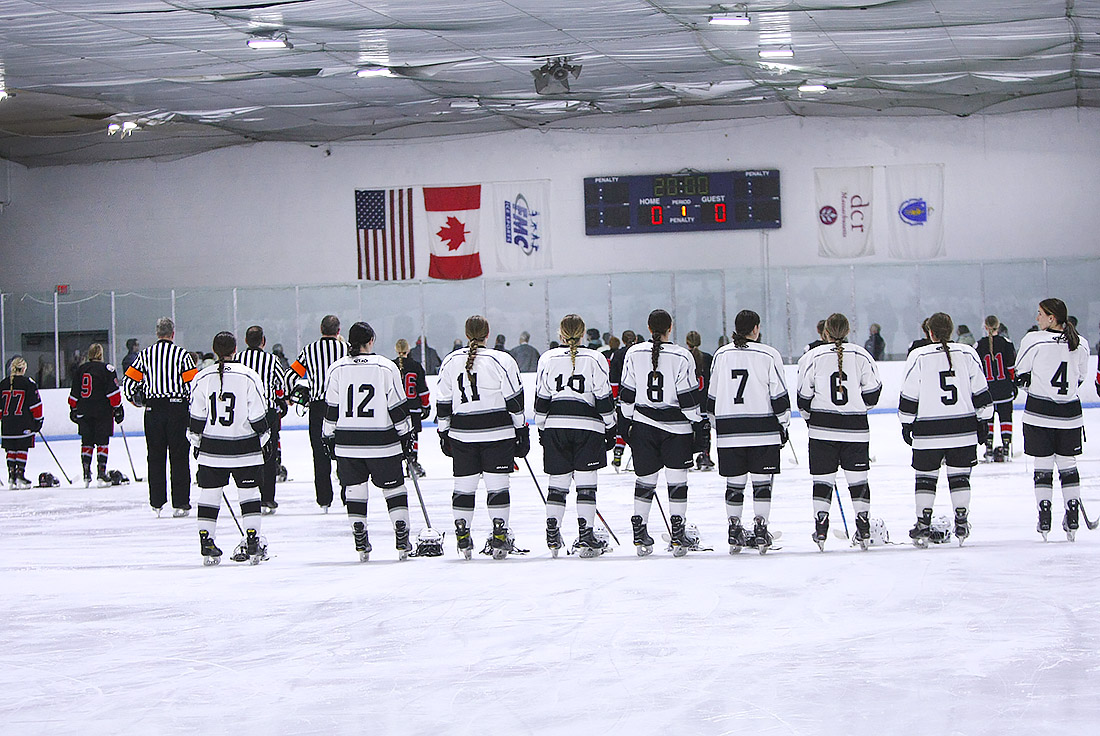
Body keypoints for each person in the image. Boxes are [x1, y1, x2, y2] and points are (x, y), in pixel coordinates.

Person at [435, 315, 528, 560]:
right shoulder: (501, 359)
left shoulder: (450, 361)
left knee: (463, 488)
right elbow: (515, 401)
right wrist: (521, 430)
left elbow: (443, 403)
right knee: (497, 487)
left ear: (467, 334)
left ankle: (462, 535)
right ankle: (499, 535)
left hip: (462, 435)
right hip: (498, 434)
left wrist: (444, 432)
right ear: (488, 334)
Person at [898, 312, 992, 547]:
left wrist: (906, 422)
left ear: (929, 332)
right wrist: (984, 421)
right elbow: (981, 392)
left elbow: (909, 394)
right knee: (960, 478)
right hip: (963, 429)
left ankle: (923, 523)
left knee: (925, 478)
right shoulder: (968, 353)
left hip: (928, 431)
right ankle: (961, 520)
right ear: (951, 331)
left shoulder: (919, 355)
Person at [323, 322, 415, 562]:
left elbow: (331, 409)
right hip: (383, 443)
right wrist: (406, 434)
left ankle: (359, 535)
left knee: (354, 489)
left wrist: (327, 436)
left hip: (347, 443)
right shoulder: (386, 366)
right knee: (394, 488)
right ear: (371, 340)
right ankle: (401, 534)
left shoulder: (336, 369)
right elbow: (397, 407)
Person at [619, 309, 704, 557]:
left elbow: (627, 394)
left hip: (644, 426)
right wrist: (698, 423)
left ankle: (639, 529)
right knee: (677, 482)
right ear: (671, 327)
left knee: (645, 481)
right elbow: (688, 399)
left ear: (648, 328)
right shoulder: (682, 355)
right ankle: (678, 531)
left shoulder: (634, 353)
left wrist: (628, 421)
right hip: (676, 430)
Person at [796, 313, 883, 551]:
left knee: (822, 482)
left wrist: (811, 418)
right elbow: (873, 393)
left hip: (822, 432)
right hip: (856, 431)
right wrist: (857, 409)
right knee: (858, 481)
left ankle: (821, 527)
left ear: (825, 332)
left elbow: (803, 398)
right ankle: (863, 526)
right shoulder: (861, 355)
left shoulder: (812, 356)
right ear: (848, 331)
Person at [534, 314, 616, 558]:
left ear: (560, 334)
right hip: (588, 428)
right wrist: (611, 427)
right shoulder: (595, 358)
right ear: (583, 334)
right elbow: (604, 397)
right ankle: (586, 534)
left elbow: (541, 400)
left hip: (556, 427)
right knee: (586, 486)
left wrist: (542, 428)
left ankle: (552, 531)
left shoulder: (547, 358)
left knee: (557, 484)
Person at [187, 331, 271, 566]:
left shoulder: (202, 377)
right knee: (249, 494)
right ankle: (252, 539)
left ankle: (206, 541)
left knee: (209, 494)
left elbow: (196, 418)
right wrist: (265, 439)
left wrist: (196, 443)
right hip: (246, 448)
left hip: (212, 449)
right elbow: (258, 416)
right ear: (236, 350)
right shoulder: (249, 375)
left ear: (215, 350)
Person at [708, 310, 790, 554]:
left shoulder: (721, 354)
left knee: (734, 484)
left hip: (730, 430)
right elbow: (779, 395)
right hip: (763, 430)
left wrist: (716, 424)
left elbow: (712, 396)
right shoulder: (769, 354)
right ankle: (761, 529)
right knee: (762, 484)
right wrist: (784, 424)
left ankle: (734, 529)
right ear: (756, 328)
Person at [1015, 298, 1090, 542]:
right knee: (1068, 465)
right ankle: (1072, 514)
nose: (1036, 317)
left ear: (1051, 317)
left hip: (1039, 414)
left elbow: (1020, 376)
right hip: (1070, 416)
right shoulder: (1081, 343)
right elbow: (1079, 378)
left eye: (1040, 313)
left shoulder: (1033, 340)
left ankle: (1044, 515)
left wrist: (1039, 389)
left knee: (1043, 466)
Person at [123, 317, 198, 517]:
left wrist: (139, 401)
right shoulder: (182, 355)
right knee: (179, 457)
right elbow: (193, 385)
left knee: (155, 457)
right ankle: (181, 503)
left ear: (157, 334)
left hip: (153, 410)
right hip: (177, 409)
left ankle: (157, 503)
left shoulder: (145, 355)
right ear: (172, 334)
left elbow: (129, 383)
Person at [287, 315, 347, 512]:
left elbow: (290, 376)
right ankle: (348, 494)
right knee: (345, 451)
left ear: (321, 330)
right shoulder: (346, 349)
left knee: (320, 454)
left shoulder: (310, 350)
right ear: (338, 331)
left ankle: (324, 499)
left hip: (318, 407)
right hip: (343, 407)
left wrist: (292, 394)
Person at [237, 325, 288, 514]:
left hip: (244, 413)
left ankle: (249, 497)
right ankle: (267, 499)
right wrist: (280, 401)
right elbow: (281, 386)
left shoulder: (238, 360)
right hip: (267, 412)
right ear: (263, 341)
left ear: (245, 341)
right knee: (269, 455)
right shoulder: (272, 360)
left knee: (247, 455)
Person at [67, 343, 124, 487]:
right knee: (102, 442)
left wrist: (73, 408)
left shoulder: (81, 369)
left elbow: (74, 393)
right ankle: (101, 473)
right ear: (101, 354)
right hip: (102, 412)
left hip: (84, 411)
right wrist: (118, 408)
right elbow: (113, 393)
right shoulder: (107, 369)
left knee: (86, 442)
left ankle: (86, 473)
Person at [976, 315, 1017, 461]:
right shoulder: (1006, 343)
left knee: (989, 420)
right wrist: (1013, 384)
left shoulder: (979, 345)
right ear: (998, 327)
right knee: (1006, 418)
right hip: (1004, 389)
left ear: (985, 327)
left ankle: (988, 448)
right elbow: (1011, 368)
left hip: (988, 391)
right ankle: (1006, 448)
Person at [1, 356, 43, 488]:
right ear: (24, 368)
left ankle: (11, 477)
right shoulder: (28, 383)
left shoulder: (3, 383)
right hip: (24, 424)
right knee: (21, 448)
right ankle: (20, 475)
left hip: (7, 425)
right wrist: (38, 420)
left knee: (11, 449)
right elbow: (35, 406)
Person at [394, 338, 430, 478]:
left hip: (397, 409)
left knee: (397, 437)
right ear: (408, 349)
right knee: (413, 436)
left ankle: (397, 465)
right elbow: (423, 389)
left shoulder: (391, 366)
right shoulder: (416, 366)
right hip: (413, 408)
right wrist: (426, 406)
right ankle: (412, 463)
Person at [685, 330, 715, 471]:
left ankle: (687, 456)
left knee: (688, 431)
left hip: (689, 402)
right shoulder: (708, 358)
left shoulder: (684, 357)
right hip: (704, 403)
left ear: (687, 343)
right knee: (705, 431)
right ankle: (705, 454)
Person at [608, 329, 637, 469]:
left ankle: (618, 451)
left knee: (622, 426)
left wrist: (614, 397)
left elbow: (613, 378)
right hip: (640, 397)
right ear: (635, 339)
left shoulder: (618, 355)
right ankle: (639, 453)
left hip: (623, 396)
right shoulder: (640, 353)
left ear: (623, 341)